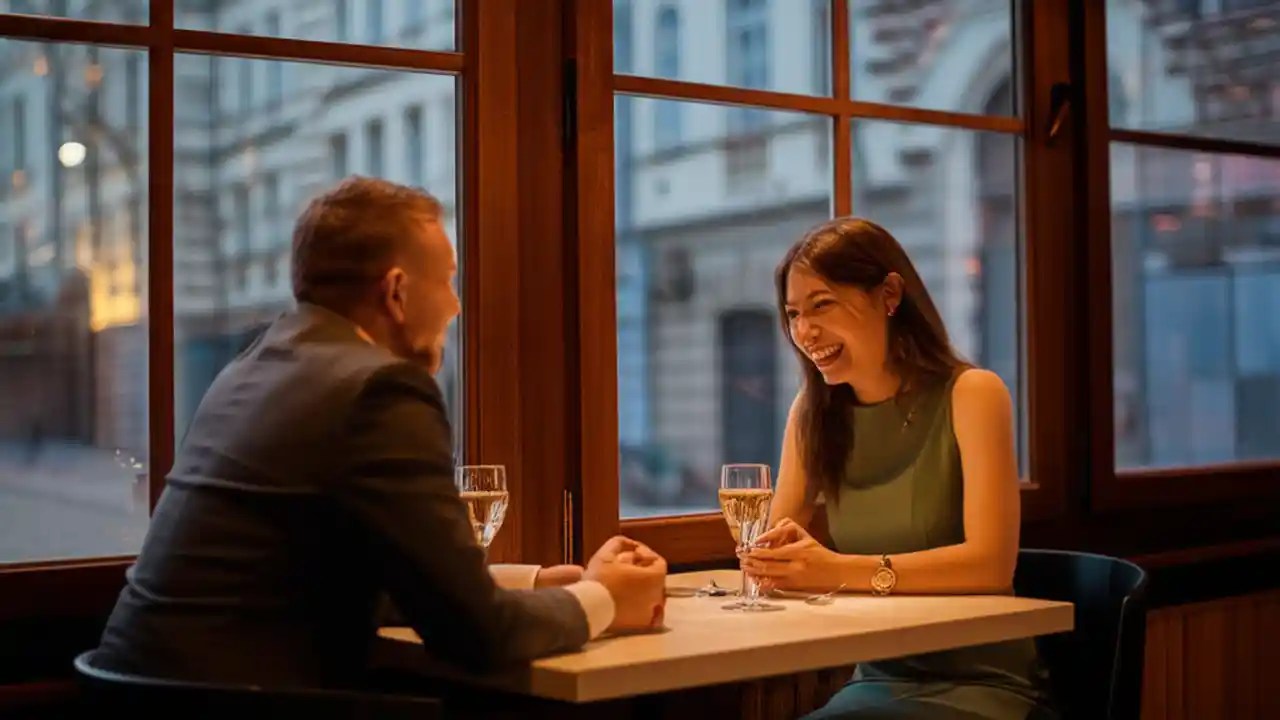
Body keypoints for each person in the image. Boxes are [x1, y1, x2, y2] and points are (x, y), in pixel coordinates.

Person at [92, 177, 667, 689]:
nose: (456, 304)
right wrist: (606, 600)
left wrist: (530, 581)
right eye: (446, 280)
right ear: (396, 292)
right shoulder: (380, 391)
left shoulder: (254, 368)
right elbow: (476, 636)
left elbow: (334, 580)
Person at [740, 218, 1057, 719]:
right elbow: (773, 551)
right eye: (793, 314)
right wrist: (771, 562)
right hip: (878, 680)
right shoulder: (812, 413)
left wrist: (837, 571)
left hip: (983, 683)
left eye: (821, 305)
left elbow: (991, 565)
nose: (804, 332)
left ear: (889, 294)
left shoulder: (972, 394)